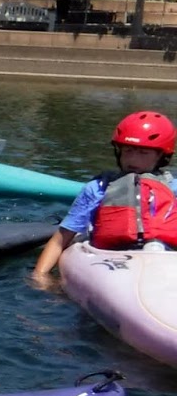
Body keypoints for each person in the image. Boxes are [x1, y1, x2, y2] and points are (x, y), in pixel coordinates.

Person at [32, 111, 177, 281]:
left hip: (162, 258)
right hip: (107, 258)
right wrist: (40, 276)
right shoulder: (97, 188)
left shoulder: (172, 189)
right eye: (128, 151)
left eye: (143, 153)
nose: (133, 159)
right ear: (119, 152)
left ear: (161, 156)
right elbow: (60, 239)